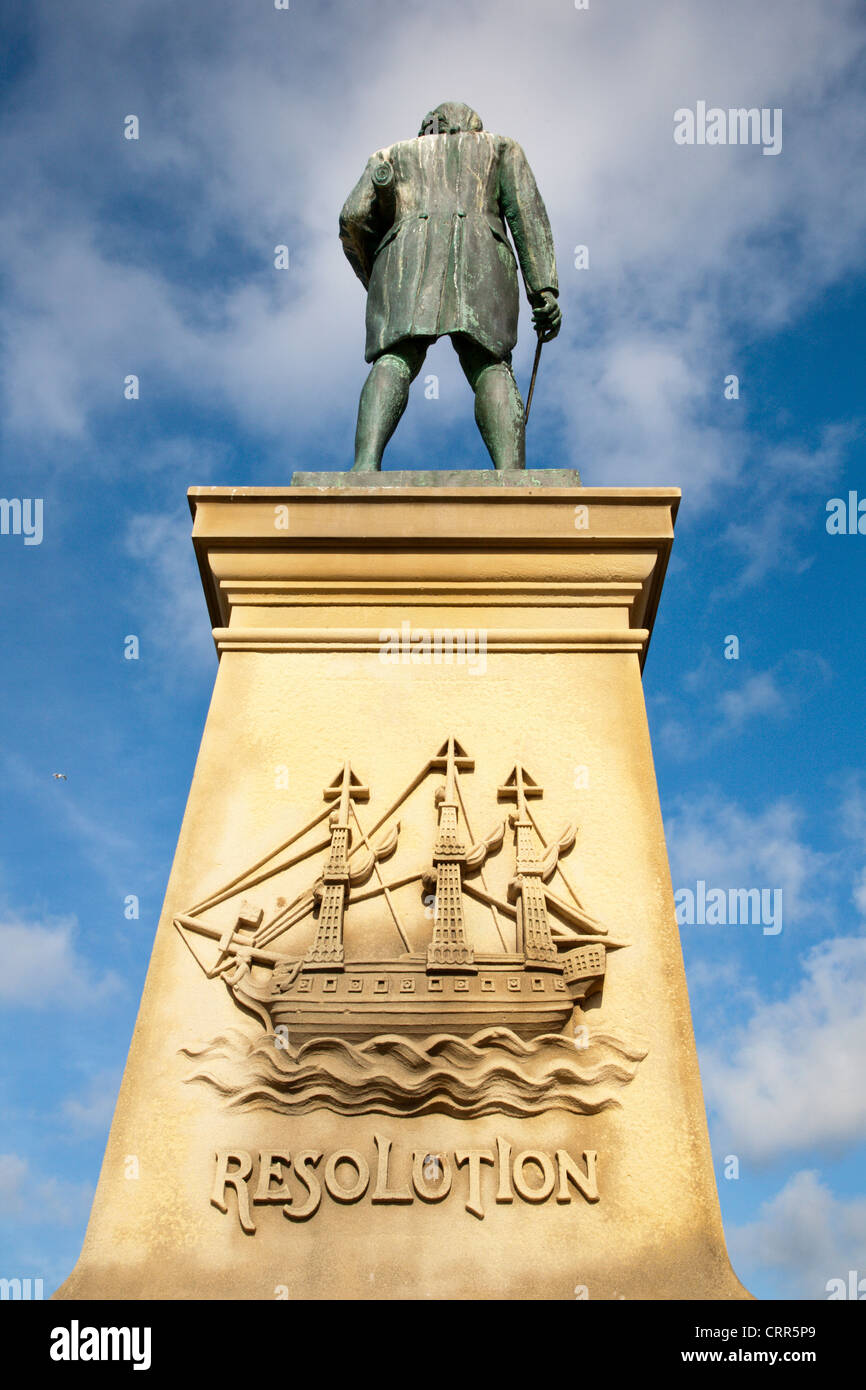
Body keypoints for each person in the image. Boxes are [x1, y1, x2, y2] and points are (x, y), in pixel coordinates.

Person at [339, 101, 561, 471]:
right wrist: (543, 289)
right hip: (482, 257)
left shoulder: (389, 156)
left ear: (431, 126)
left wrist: (379, 269)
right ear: (472, 126)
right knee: (489, 364)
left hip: (404, 261)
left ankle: (364, 466)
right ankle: (510, 474)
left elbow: (353, 216)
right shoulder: (501, 148)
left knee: (394, 360)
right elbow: (527, 213)